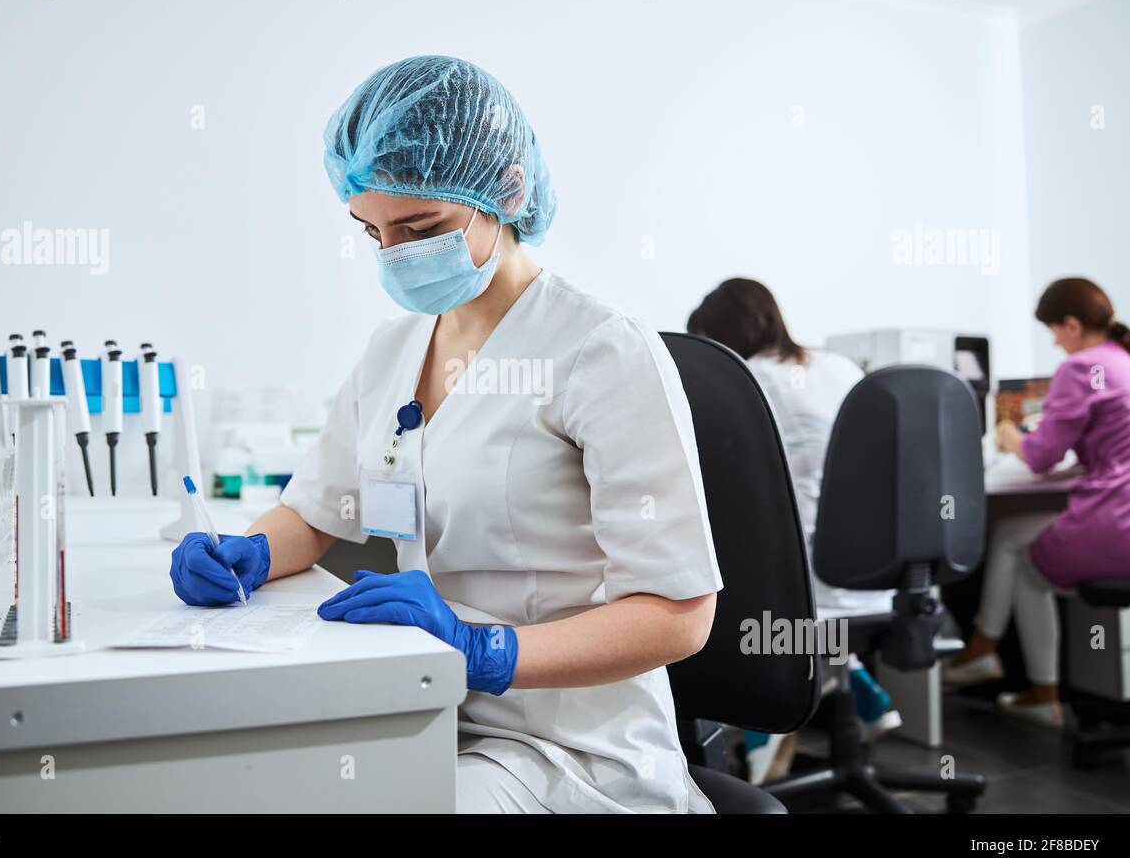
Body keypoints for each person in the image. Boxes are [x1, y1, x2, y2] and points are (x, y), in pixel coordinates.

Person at [168, 56, 723, 813]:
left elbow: (680, 614)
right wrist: (255, 552)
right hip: (422, 707)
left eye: (420, 228)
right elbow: (315, 513)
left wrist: (482, 651)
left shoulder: (600, 351)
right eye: (374, 233)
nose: (395, 255)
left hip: (571, 751)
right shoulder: (391, 352)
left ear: (506, 192)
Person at [687, 278, 899, 784]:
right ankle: (865, 698)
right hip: (879, 574)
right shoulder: (839, 366)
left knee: (704, 592)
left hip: (809, 580)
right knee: (794, 605)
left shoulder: (747, 377)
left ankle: (762, 740)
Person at [945, 277, 1130, 727]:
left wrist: (1008, 434)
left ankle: (1019, 674)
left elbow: (1040, 456)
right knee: (1012, 535)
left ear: (1072, 325)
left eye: (1054, 331)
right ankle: (999, 659)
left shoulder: (1081, 368)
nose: (1055, 343)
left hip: (1121, 527)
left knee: (1021, 555)